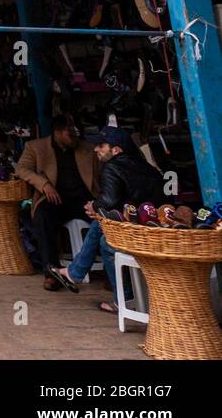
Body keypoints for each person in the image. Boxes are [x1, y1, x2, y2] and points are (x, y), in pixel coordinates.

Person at [50, 127, 165, 305]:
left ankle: (123, 300)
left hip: (136, 238)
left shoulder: (112, 167)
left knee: (106, 242)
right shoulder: (149, 168)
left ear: (116, 150)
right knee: (102, 225)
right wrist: (98, 208)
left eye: (101, 146)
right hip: (154, 232)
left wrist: (94, 206)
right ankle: (75, 273)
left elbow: (109, 200)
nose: (96, 149)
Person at [15, 116, 100, 291]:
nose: (75, 138)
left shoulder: (88, 149)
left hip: (85, 199)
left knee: (107, 222)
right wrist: (43, 184)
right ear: (57, 133)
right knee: (43, 217)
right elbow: (21, 169)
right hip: (56, 200)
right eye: (70, 134)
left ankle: (112, 272)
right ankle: (51, 272)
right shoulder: (36, 147)